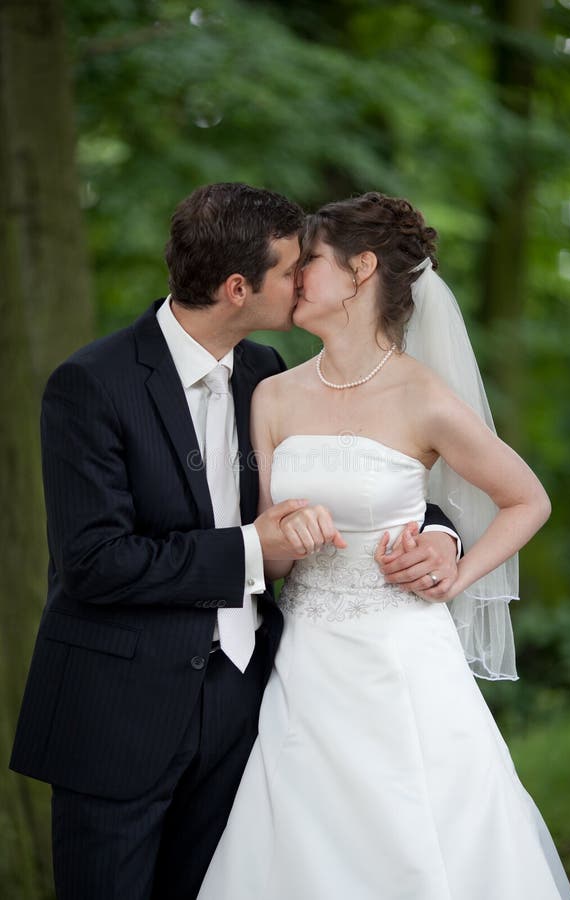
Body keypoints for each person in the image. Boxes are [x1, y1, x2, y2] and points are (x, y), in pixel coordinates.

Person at [9, 183, 460, 900]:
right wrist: (252, 548)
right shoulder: (89, 385)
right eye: (291, 268)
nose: (305, 277)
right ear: (238, 288)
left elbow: (368, 479)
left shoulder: (265, 374)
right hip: (118, 715)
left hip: (245, 709)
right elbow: (94, 562)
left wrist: (439, 535)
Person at [196, 192, 570, 900]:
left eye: (310, 260)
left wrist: (456, 570)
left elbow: (528, 500)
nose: (295, 276)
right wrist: (282, 539)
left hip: (402, 659)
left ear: (362, 268)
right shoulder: (273, 395)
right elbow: (269, 555)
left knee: (417, 840)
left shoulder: (422, 396)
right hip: (305, 662)